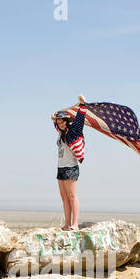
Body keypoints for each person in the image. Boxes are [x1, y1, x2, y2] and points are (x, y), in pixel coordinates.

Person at [54, 95, 86, 230]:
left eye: (62, 122)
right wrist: (55, 117)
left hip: (70, 167)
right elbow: (53, 120)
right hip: (61, 167)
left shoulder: (73, 131)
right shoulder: (60, 132)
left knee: (72, 196)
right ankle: (67, 224)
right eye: (59, 122)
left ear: (67, 121)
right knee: (64, 197)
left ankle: (75, 224)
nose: (60, 124)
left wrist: (82, 105)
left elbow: (80, 120)